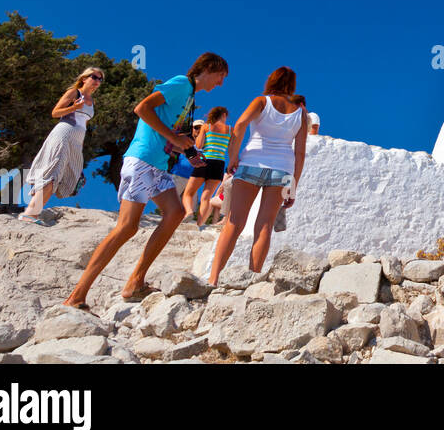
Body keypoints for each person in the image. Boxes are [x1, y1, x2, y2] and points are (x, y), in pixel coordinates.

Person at [63, 52, 228, 309]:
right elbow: (142, 108)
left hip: (158, 165)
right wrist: (174, 139)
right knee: (127, 227)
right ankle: (76, 296)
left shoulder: (190, 96)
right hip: (142, 160)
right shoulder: (181, 84)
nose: (220, 84)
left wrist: (185, 148)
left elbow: (165, 129)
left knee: (174, 214)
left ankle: (136, 281)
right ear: (207, 68)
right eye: (221, 77)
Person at [208, 67, 309, 284]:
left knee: (234, 223)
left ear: (271, 80)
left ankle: (213, 279)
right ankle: (252, 279)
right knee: (264, 226)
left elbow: (240, 125)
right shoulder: (301, 113)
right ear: (292, 85)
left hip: (252, 164)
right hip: (282, 170)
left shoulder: (262, 102)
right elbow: (300, 152)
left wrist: (233, 157)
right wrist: (294, 185)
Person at [20, 67, 105, 225]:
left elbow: (83, 123)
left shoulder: (91, 101)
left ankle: (33, 213)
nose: (97, 81)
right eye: (94, 77)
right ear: (84, 78)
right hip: (64, 133)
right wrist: (73, 108)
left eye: (100, 79)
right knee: (53, 172)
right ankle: (31, 213)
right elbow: (55, 112)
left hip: (76, 140)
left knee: (61, 176)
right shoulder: (74, 93)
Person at [183, 107, 231, 227]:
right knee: (206, 197)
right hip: (219, 164)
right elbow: (231, 149)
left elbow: (198, 145)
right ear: (224, 115)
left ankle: (189, 212)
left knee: (188, 193)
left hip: (205, 160)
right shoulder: (231, 130)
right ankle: (199, 224)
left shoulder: (206, 127)